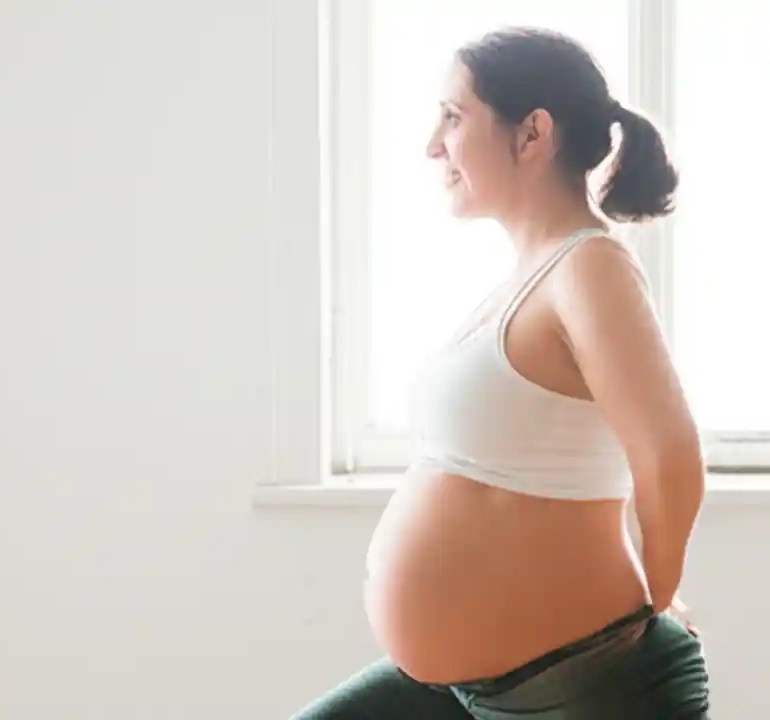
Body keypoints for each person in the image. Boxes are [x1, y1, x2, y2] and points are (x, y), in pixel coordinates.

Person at [293, 25, 709, 719]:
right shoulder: (530, 277)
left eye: (454, 116)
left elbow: (669, 456)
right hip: (467, 684)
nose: (433, 143)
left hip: (583, 687)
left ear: (532, 133)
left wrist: (656, 602)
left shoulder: (590, 266)